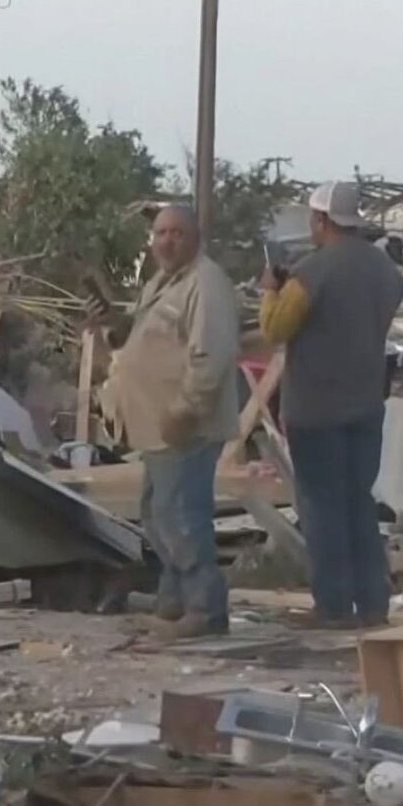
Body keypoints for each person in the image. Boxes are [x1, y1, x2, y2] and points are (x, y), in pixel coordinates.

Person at [260, 181, 403, 628]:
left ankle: (335, 606)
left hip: (317, 408)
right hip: (365, 402)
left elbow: (275, 328)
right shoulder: (385, 271)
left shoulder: (312, 271)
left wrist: (271, 289)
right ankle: (374, 602)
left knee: (322, 508)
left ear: (321, 220)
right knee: (358, 503)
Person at [101, 206, 240, 640]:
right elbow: (151, 336)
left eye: (176, 233)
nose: (166, 241)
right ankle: (173, 602)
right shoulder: (162, 282)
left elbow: (210, 357)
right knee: (156, 512)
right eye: (160, 233)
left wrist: (185, 409)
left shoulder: (206, 283)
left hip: (186, 424)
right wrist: (116, 328)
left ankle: (205, 609)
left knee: (179, 514)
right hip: (156, 425)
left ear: (195, 236)